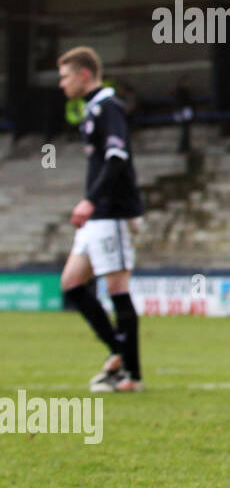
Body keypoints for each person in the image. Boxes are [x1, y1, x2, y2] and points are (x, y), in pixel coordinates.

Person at [55, 47, 145, 393]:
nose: (61, 84)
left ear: (83, 75)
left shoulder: (110, 108)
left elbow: (118, 159)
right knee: (72, 284)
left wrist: (90, 200)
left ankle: (132, 375)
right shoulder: (93, 109)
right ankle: (118, 353)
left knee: (117, 290)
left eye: (65, 76)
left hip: (113, 213)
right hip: (98, 216)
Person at [174, 78, 194, 154]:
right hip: (183, 112)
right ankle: (183, 148)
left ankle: (185, 147)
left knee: (186, 131)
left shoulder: (185, 92)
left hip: (185, 112)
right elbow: (181, 104)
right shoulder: (181, 92)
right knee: (185, 131)